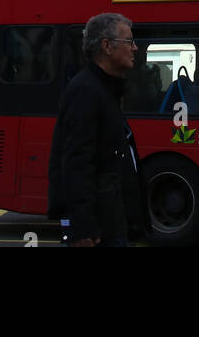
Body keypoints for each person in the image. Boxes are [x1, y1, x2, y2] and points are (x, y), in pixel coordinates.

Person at [47, 13, 147, 247]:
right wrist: (82, 228)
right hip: (99, 231)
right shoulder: (86, 91)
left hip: (113, 223)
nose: (135, 48)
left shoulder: (106, 90)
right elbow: (76, 163)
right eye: (128, 41)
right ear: (107, 46)